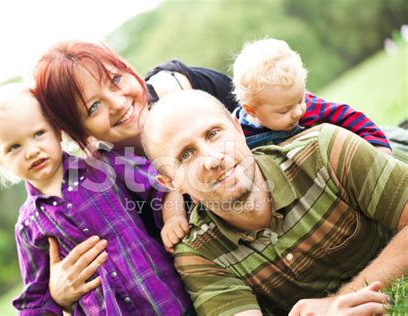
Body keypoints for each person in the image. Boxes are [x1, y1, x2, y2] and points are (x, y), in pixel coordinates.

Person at [141, 90, 407, 315]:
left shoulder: (325, 150)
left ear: (237, 128)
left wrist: (338, 302)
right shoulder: (198, 254)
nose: (212, 159)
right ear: (170, 182)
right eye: (186, 154)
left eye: (213, 134)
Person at [32, 40, 245, 308]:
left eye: (116, 79)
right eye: (93, 107)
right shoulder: (105, 185)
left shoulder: (187, 87)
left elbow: (289, 119)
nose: (118, 103)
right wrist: (60, 296)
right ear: (79, 131)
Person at [0, 83, 192, 315]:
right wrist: (57, 297)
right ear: (0, 161)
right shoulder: (29, 226)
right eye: (14, 147)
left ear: (57, 132)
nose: (31, 151)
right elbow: (35, 301)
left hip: (169, 303)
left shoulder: (102, 166)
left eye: (39, 134)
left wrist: (173, 218)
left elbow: (160, 182)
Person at [232, 38, 392, 155]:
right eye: (284, 110)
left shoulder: (312, 107)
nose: (298, 112)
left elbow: (349, 116)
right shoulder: (238, 134)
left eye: (300, 100)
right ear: (251, 110)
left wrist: (378, 145)